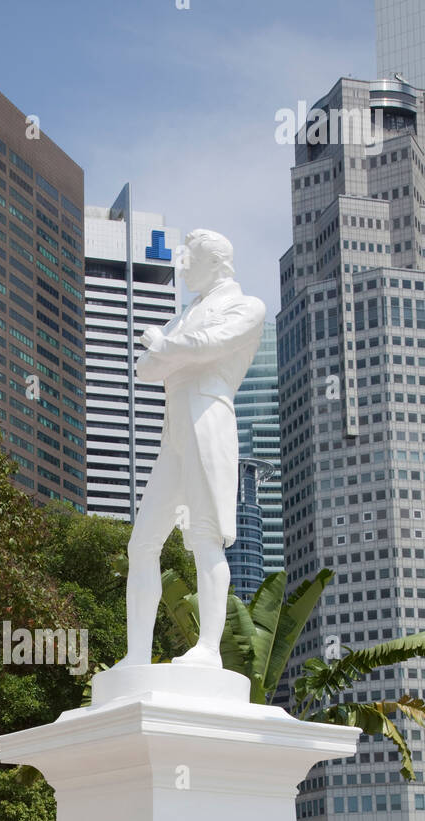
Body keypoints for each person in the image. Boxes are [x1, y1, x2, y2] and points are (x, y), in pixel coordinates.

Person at [123, 229, 265, 670]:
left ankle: (207, 649)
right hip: (175, 432)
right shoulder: (186, 315)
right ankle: (136, 656)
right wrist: (171, 350)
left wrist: (169, 349)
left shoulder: (247, 306)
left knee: (206, 537)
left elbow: (211, 346)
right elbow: (146, 367)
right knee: (142, 544)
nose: (183, 268)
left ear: (218, 263)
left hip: (208, 419)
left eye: (192, 261)